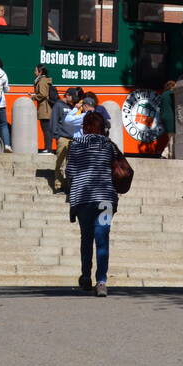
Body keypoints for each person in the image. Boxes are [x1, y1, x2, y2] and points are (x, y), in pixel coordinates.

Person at [65, 110, 118, 296]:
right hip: (105, 199)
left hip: (83, 199)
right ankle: (102, 281)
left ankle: (86, 277)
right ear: (102, 127)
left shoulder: (76, 145)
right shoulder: (109, 146)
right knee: (102, 239)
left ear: (85, 127)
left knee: (86, 238)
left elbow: (70, 173)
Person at [51, 90, 74, 192]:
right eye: (73, 98)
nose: (74, 100)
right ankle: (58, 186)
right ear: (67, 95)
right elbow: (54, 121)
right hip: (63, 137)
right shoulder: (58, 105)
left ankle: (69, 186)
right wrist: (57, 136)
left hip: (73, 139)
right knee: (60, 162)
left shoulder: (73, 107)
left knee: (71, 164)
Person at [32, 65, 53, 154]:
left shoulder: (42, 81)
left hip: (45, 108)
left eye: (36, 70)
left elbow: (43, 94)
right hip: (46, 108)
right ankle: (48, 147)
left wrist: (34, 97)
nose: (34, 72)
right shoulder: (44, 80)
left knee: (46, 129)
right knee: (46, 129)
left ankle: (48, 148)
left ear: (40, 72)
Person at [158, 79, 176, 159]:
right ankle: (170, 154)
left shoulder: (163, 94)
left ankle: (165, 154)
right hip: (170, 117)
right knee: (172, 137)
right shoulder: (172, 94)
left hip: (163, 117)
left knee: (170, 136)